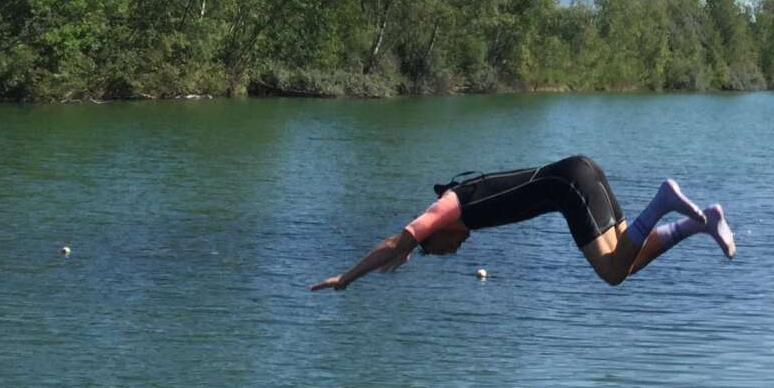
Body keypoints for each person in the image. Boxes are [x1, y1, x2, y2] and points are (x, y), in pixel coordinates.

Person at [309, 156, 736, 292]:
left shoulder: (448, 207)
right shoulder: (459, 210)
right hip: (582, 171)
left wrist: (347, 278)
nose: (449, 252)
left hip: (569, 187)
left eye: (435, 249)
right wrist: (405, 250)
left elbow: (395, 240)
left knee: (610, 273)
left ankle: (663, 201)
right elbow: (401, 246)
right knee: (626, 260)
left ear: (436, 233)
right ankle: (701, 223)